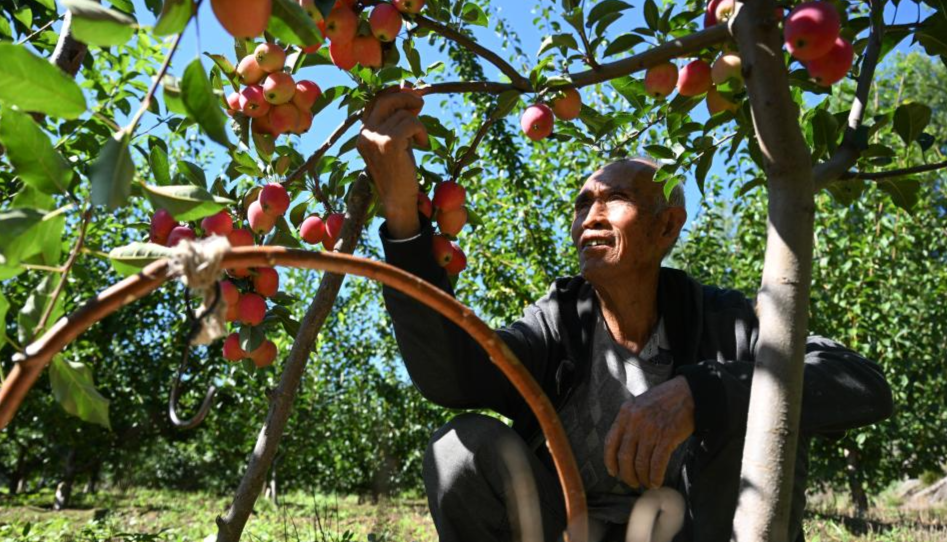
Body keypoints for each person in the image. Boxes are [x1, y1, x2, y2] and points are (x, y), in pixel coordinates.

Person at [357, 91, 894, 542]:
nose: (590, 215)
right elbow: (456, 376)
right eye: (581, 203)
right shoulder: (561, 322)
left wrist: (701, 393)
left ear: (666, 229)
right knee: (460, 449)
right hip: (566, 531)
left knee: (753, 417)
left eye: (614, 199)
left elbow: (864, 385)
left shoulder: (725, 321)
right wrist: (405, 220)